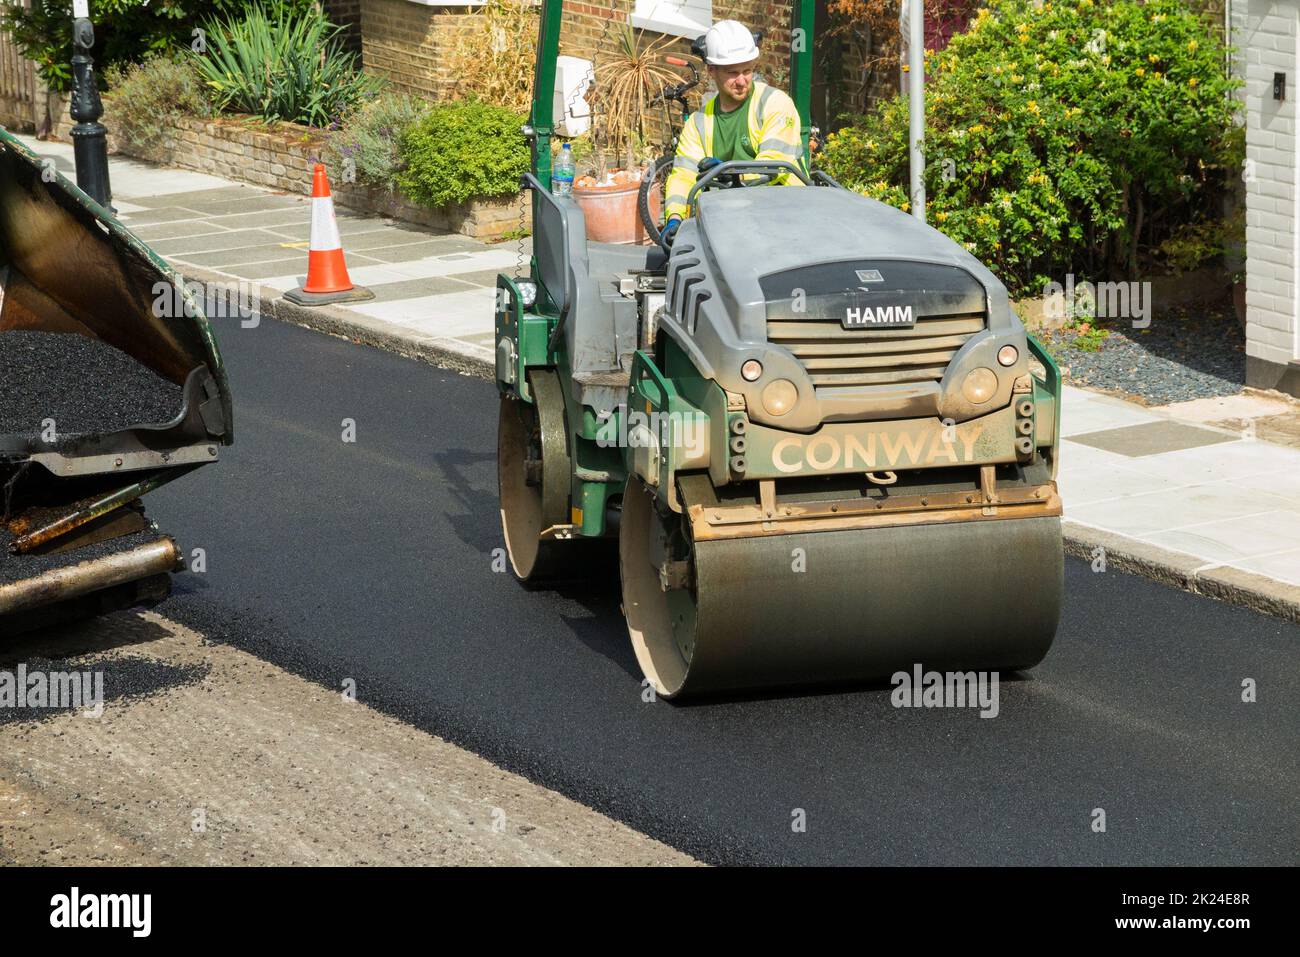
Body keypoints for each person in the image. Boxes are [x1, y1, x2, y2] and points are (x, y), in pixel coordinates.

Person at [661, 19, 808, 245]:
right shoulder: (699, 123)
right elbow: (684, 175)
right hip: (731, 225)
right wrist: (675, 218)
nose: (742, 81)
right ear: (711, 70)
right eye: (732, 73)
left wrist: (730, 174)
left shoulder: (775, 103)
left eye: (747, 71)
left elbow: (773, 165)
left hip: (787, 218)